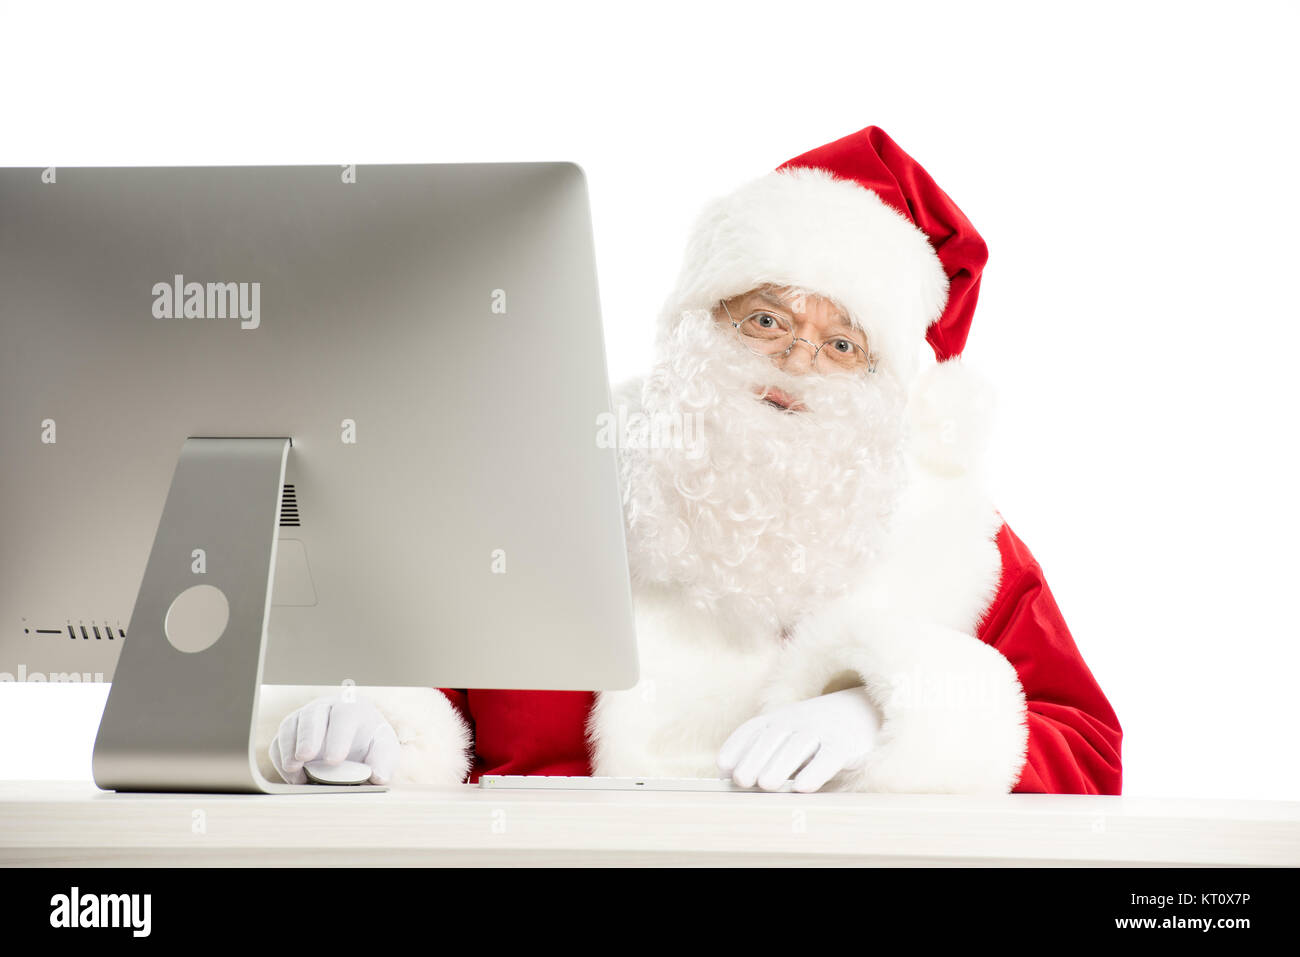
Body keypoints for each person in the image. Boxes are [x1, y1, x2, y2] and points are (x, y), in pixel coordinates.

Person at [260, 125, 1122, 794]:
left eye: (841, 343)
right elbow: (421, 664)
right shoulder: (551, 480)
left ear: (887, 380)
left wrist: (894, 714)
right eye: (767, 320)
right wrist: (370, 719)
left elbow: (1086, 747)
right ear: (701, 322)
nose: (794, 361)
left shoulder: (950, 536)